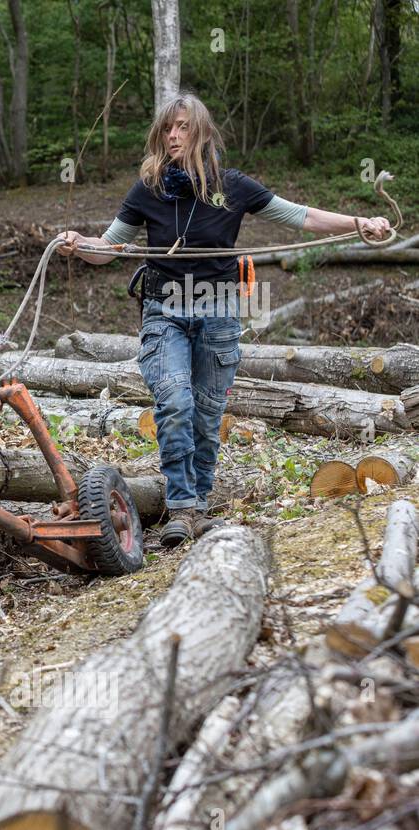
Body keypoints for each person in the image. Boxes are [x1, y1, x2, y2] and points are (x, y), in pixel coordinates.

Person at [58, 91, 391, 547]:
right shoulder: (149, 190)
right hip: (164, 310)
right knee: (174, 401)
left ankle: (198, 506)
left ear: (201, 132)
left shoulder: (232, 186)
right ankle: (181, 508)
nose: (173, 135)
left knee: (207, 414)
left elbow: (300, 217)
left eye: (183, 127)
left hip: (218, 311)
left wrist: (359, 223)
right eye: (167, 128)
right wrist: (80, 243)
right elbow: (111, 248)